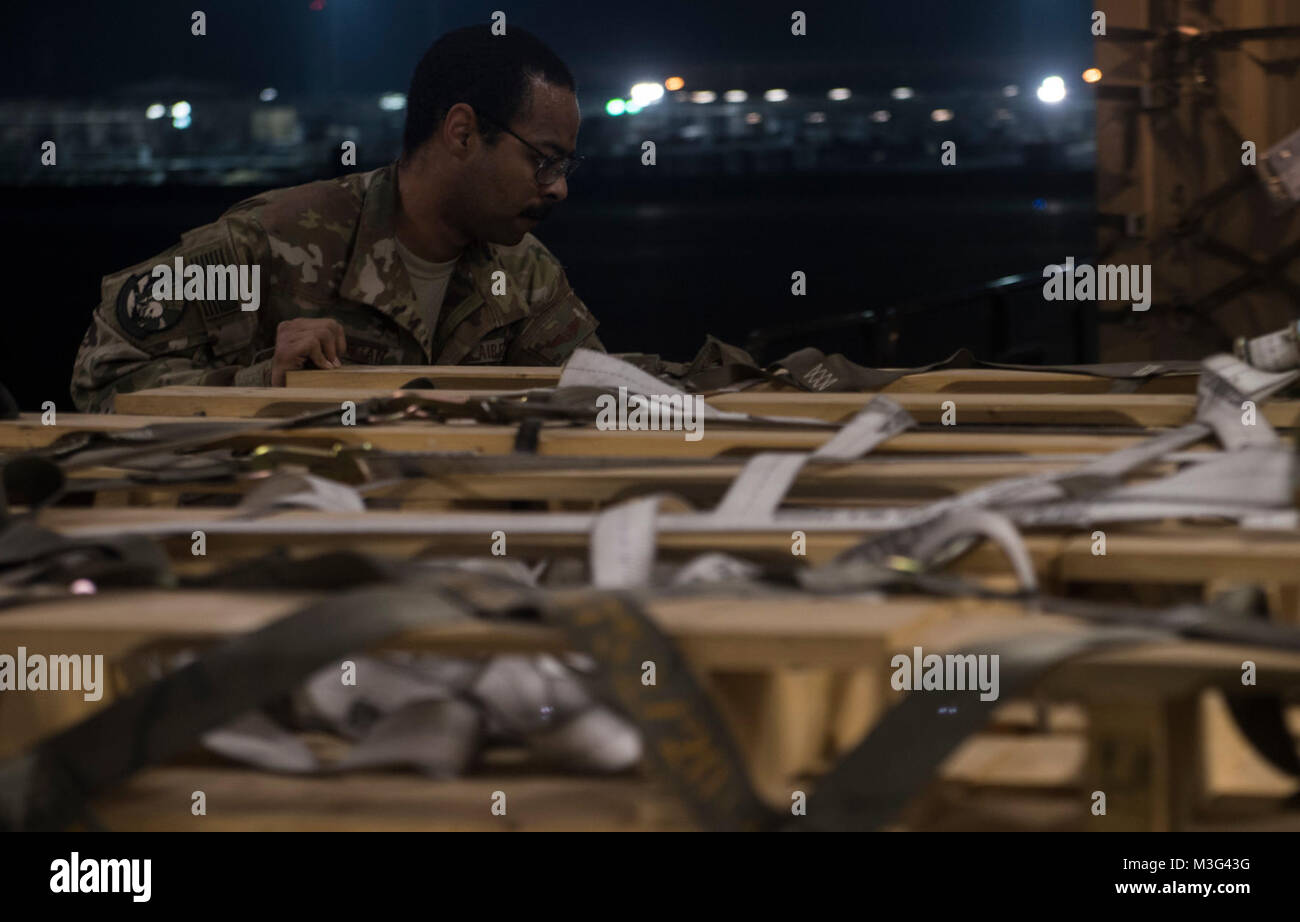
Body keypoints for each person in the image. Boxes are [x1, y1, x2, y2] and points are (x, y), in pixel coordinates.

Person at [70, 24, 602, 412]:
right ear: (462, 133)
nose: (558, 187)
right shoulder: (270, 243)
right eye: (543, 159)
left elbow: (603, 395)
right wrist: (262, 383)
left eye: (564, 165)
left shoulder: (526, 276)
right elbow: (102, 380)